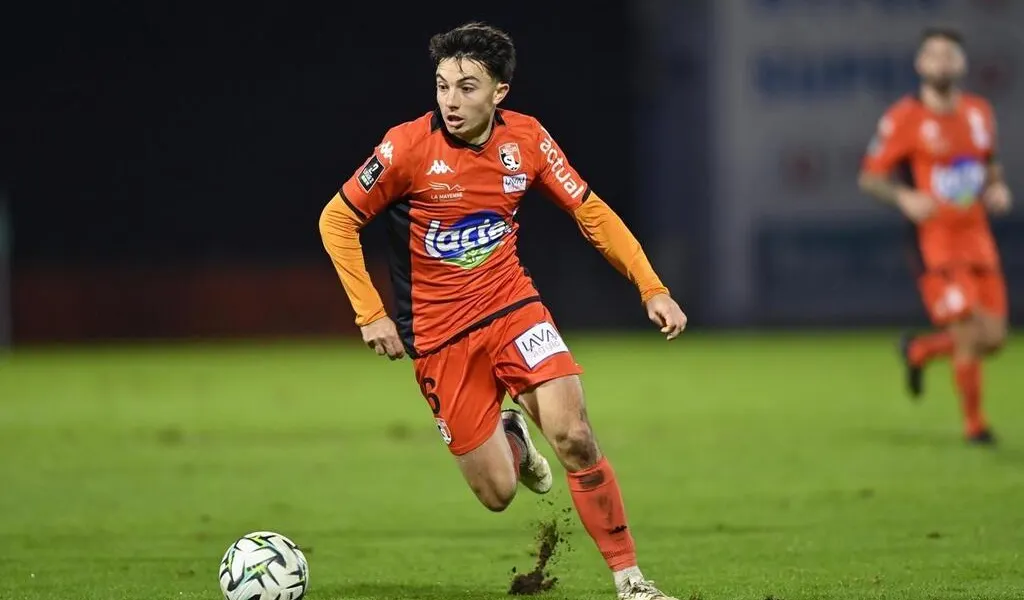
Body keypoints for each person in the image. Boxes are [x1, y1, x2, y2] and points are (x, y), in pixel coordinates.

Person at [319, 21, 687, 600]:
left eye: (467, 87)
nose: (450, 100)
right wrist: (371, 313)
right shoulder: (406, 147)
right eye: (442, 86)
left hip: (511, 307)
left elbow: (590, 212)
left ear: (500, 93)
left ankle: (631, 580)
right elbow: (336, 219)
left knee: (574, 436)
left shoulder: (529, 141)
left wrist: (651, 286)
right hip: (438, 337)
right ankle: (512, 438)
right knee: (497, 493)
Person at [859, 26, 1012, 444]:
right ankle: (975, 426)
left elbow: (988, 163)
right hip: (936, 243)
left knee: (994, 339)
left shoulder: (979, 112)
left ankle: (920, 351)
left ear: (961, 63)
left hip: (978, 238)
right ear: (920, 64)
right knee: (965, 334)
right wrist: (904, 197)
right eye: (934, 55)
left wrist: (996, 187)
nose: (943, 62)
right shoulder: (904, 119)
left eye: (950, 55)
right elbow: (870, 177)